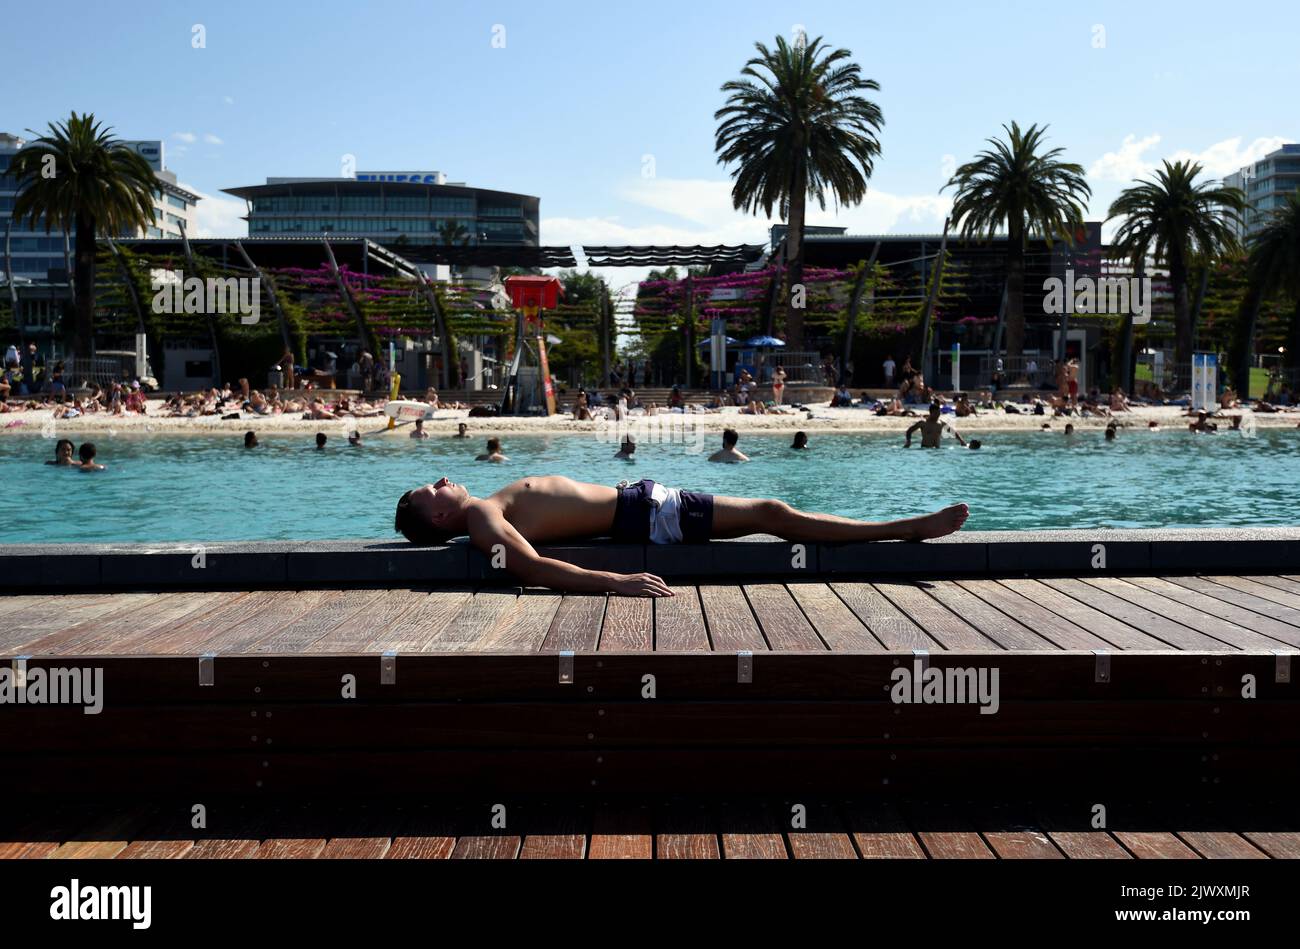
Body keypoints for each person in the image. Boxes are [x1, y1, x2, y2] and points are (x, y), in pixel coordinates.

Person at [394, 476, 970, 595]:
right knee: (771, 511)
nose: (442, 480)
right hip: (653, 517)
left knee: (771, 511)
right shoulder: (481, 520)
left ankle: (903, 527)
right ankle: (905, 529)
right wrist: (612, 582)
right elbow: (531, 567)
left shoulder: (480, 510)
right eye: (432, 491)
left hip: (647, 506)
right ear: (441, 519)